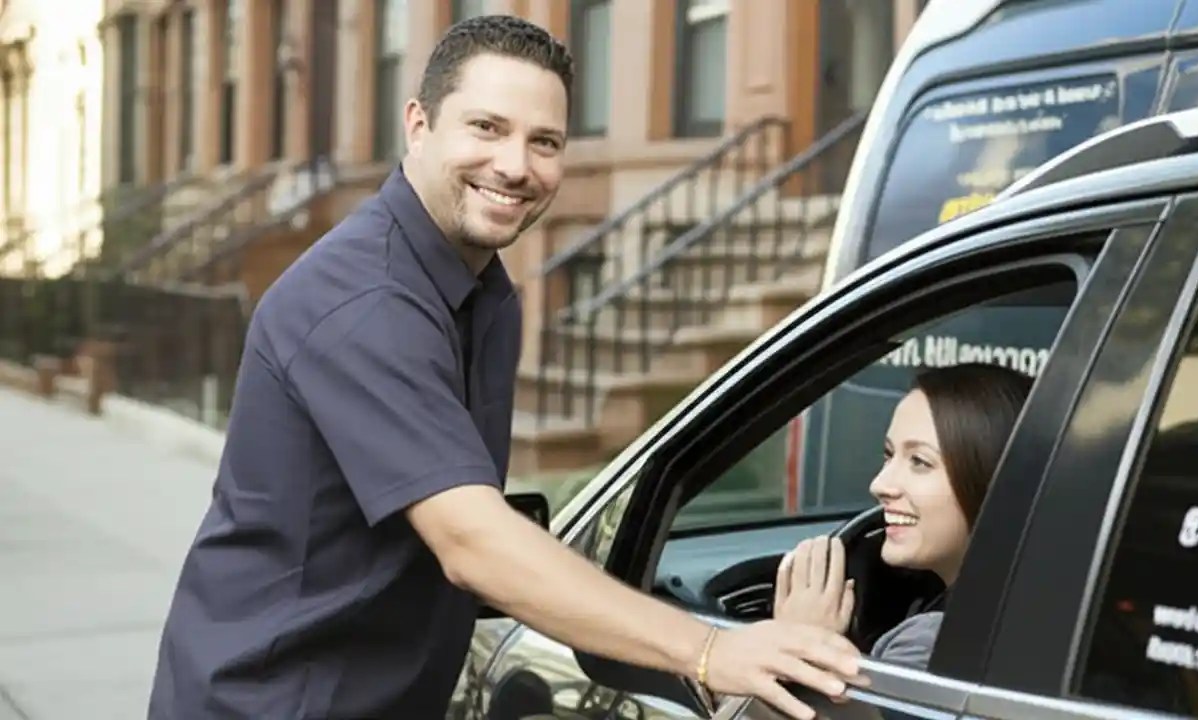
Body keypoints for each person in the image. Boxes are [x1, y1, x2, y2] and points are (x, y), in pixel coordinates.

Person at [147, 14, 863, 720]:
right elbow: (472, 542)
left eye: (543, 141)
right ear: (418, 124)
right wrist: (710, 650)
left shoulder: (483, 292)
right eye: (486, 128)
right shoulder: (363, 303)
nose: (516, 166)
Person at [774, 363, 1033, 669]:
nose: (879, 484)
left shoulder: (932, 646)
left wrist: (804, 646)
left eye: (920, 461)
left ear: (993, 478)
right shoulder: (1038, 616)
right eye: (889, 455)